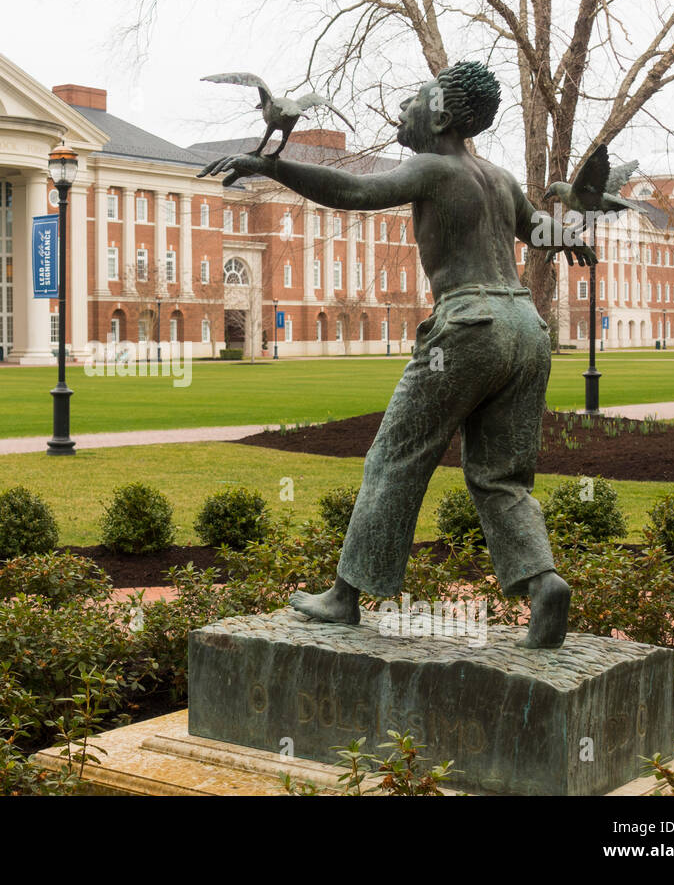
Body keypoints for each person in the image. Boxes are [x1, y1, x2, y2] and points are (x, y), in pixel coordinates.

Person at [199, 61, 595, 648]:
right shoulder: (500, 177)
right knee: (501, 477)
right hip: (528, 331)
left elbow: (357, 192)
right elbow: (540, 230)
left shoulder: (433, 168)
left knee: (396, 456)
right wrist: (572, 236)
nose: (401, 110)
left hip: (470, 325)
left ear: (438, 114)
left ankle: (345, 595)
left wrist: (271, 166)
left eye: (412, 99)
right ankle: (543, 583)